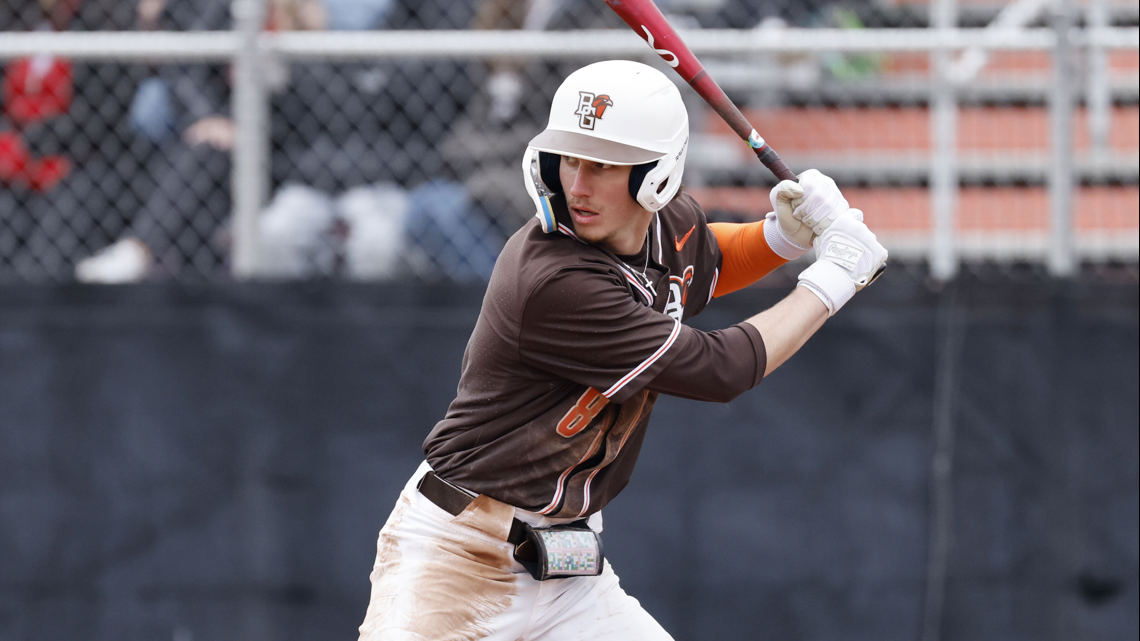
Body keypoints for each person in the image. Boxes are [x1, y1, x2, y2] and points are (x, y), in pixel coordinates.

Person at [356, 59, 887, 639]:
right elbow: (722, 369)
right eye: (570, 160)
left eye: (604, 166)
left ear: (655, 176)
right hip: (458, 558)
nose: (578, 186)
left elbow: (705, 262)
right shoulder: (553, 279)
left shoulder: (668, 224)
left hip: (568, 572)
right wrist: (834, 278)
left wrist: (780, 237)